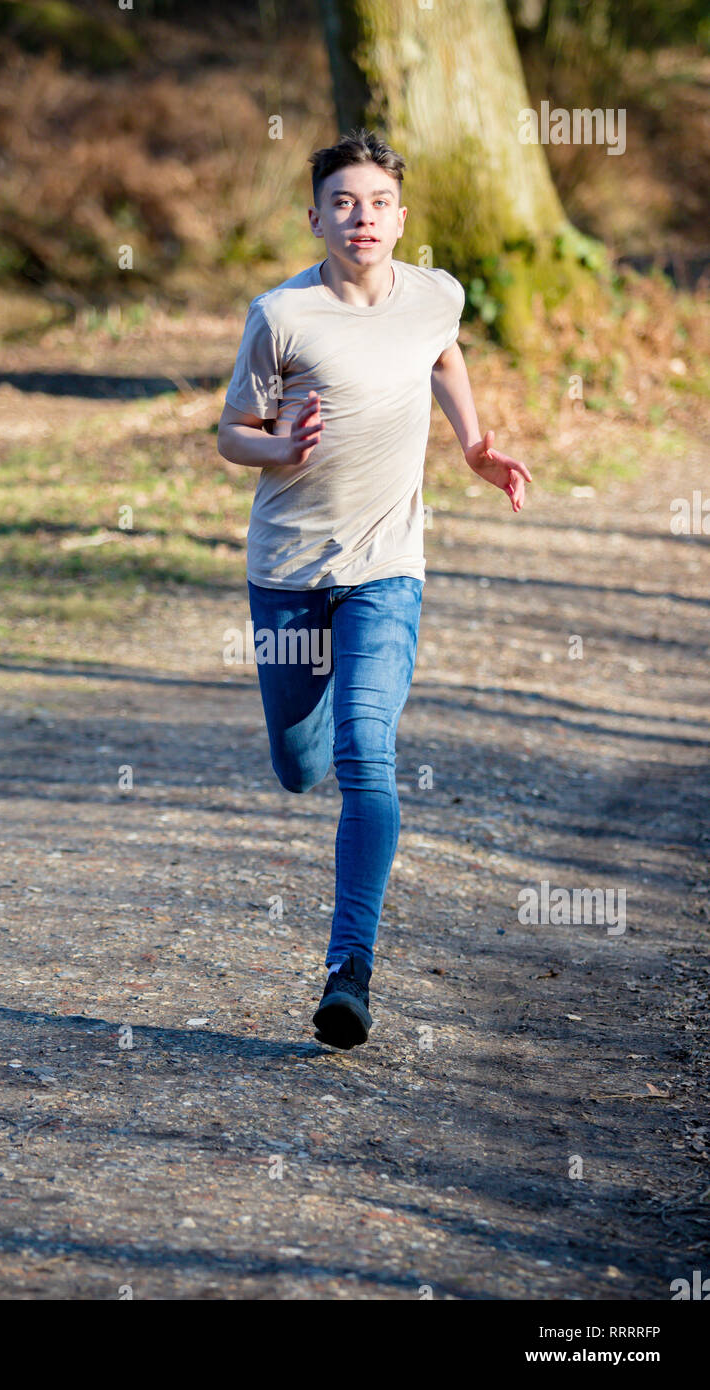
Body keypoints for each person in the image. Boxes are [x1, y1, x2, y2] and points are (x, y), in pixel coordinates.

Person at [217, 128, 531, 1049]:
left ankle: (348, 971)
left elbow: (442, 352)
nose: (363, 217)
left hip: (389, 564)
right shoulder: (282, 316)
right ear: (315, 216)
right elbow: (232, 431)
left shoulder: (437, 293)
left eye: (380, 202)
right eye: (343, 202)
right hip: (287, 574)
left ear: (402, 218)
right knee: (298, 763)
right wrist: (279, 446)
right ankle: (303, 749)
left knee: (366, 749)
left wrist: (473, 444)